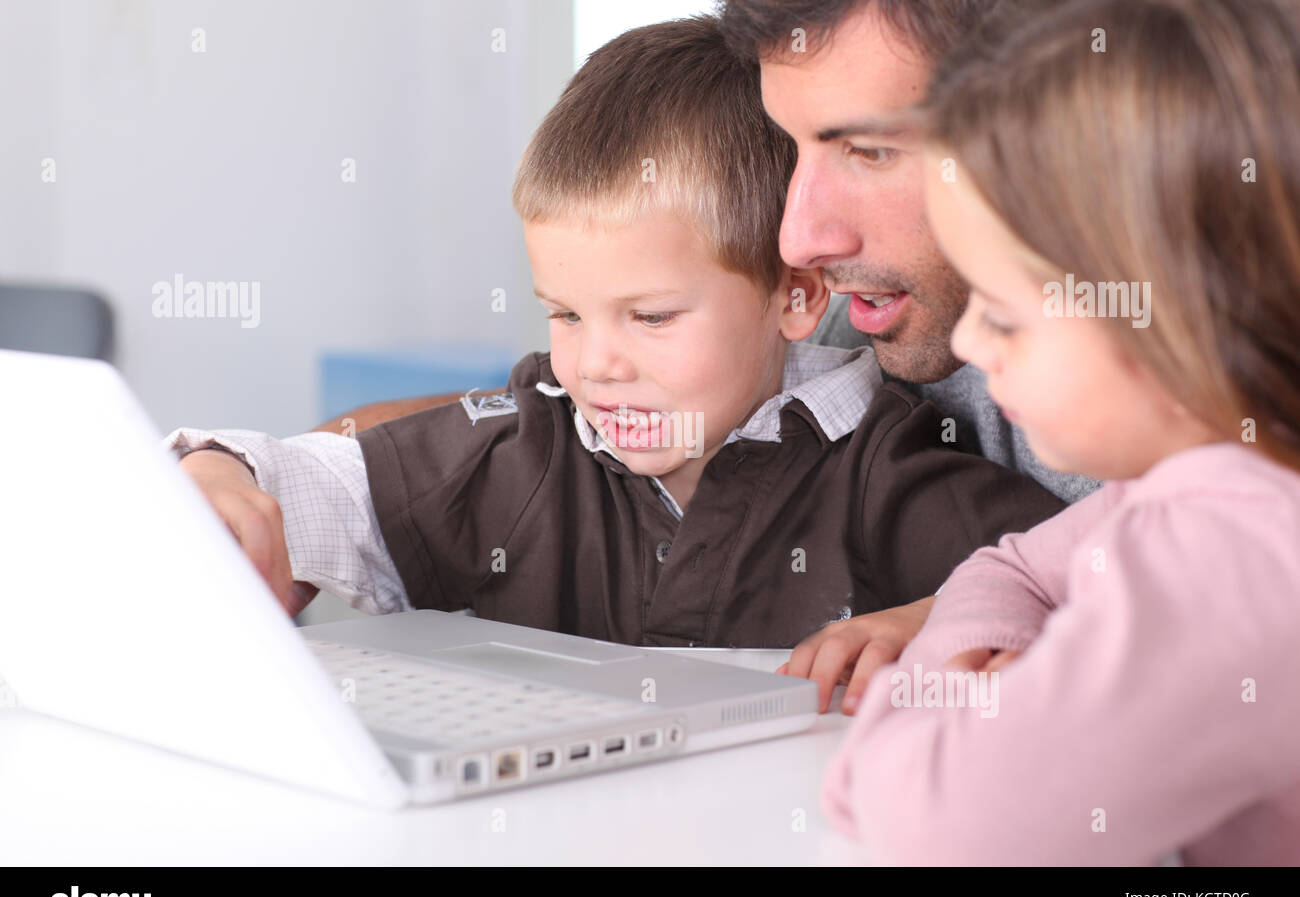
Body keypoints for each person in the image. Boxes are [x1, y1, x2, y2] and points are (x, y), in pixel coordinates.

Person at [165, 16, 1062, 651]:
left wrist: (955, 618)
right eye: (564, 313)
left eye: (653, 317)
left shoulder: (890, 467)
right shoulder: (533, 441)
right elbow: (328, 483)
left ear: (795, 297)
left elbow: (1085, 589)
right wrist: (221, 472)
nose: (595, 364)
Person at [824, 0, 1300, 864]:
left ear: (1179, 315)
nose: (970, 344)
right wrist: (993, 650)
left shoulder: (1222, 555)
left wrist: (935, 696)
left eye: (1003, 316)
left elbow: (926, 820)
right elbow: (1009, 566)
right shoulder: (1214, 486)